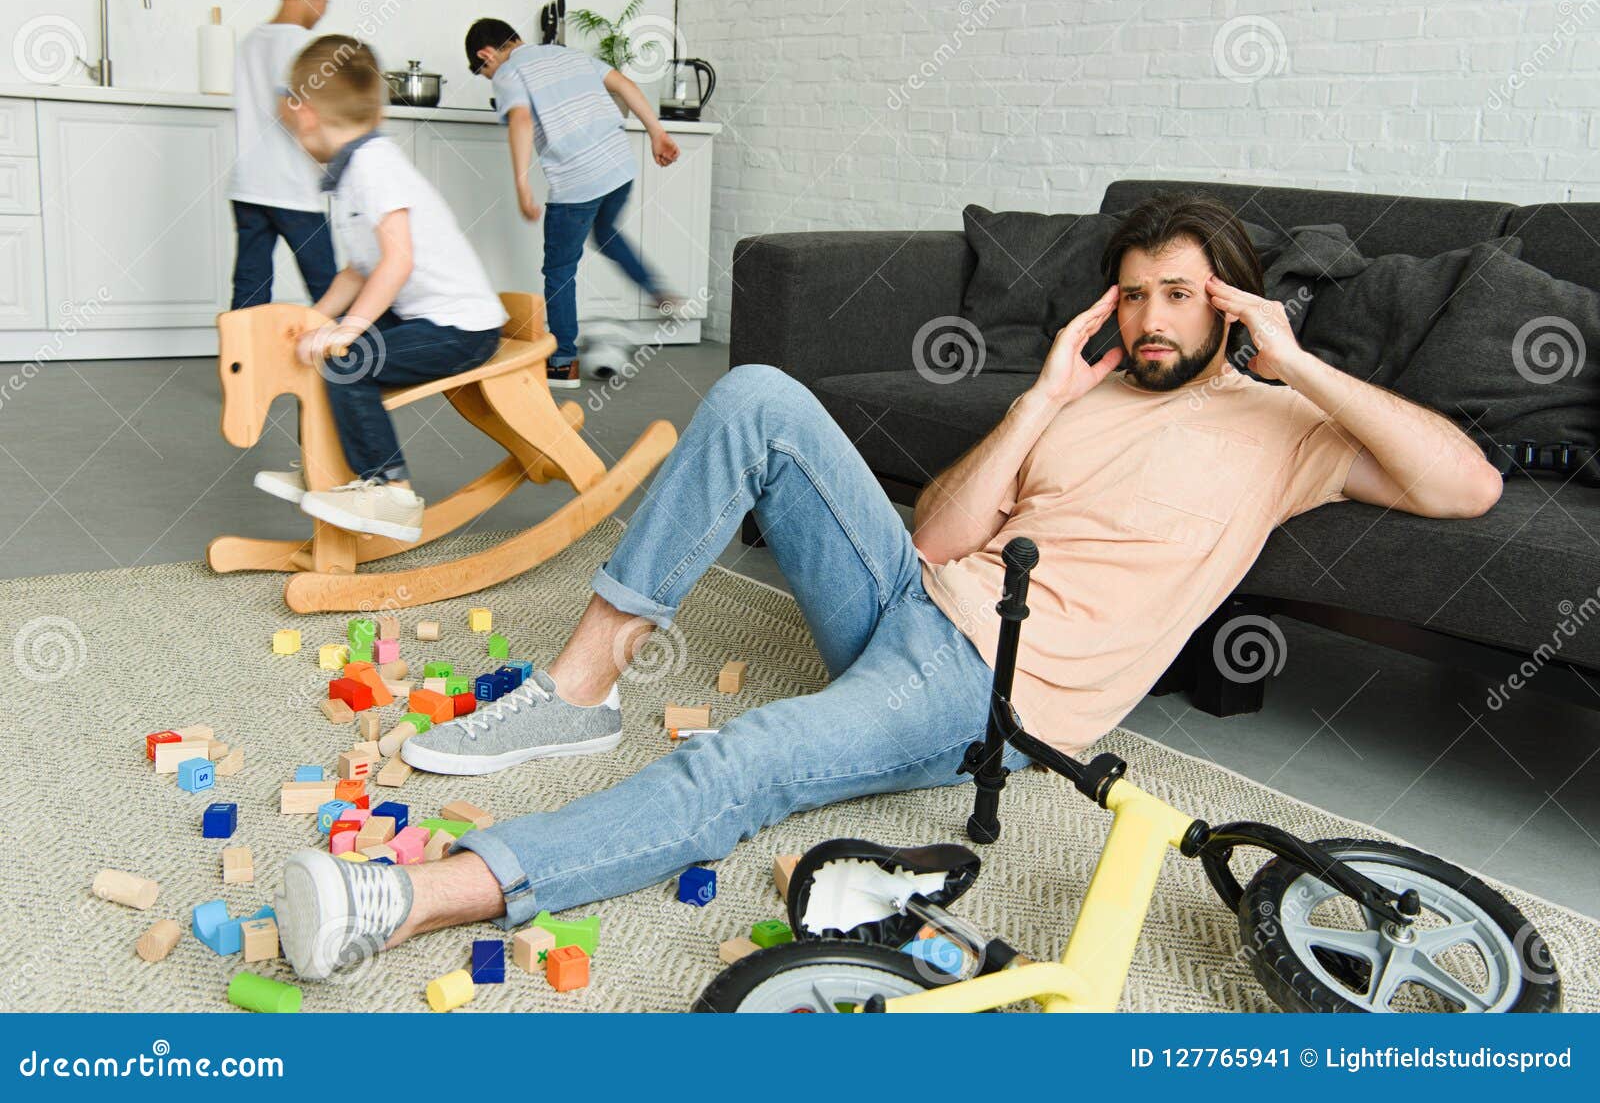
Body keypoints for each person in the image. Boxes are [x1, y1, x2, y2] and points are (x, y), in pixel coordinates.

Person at [273, 193, 1504, 980]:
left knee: (740, 763)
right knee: (759, 394)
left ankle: (409, 898)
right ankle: (582, 682)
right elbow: (933, 538)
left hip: (986, 689)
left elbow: (1467, 486)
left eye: (1178, 293)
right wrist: (1039, 402)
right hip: (920, 607)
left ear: (1228, 302)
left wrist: (1291, 357)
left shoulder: (1289, 426)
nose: (1148, 317)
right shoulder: (1088, 393)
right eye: (1132, 293)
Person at [251, 36, 508, 542]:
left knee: (349, 361)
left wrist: (347, 329)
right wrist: (316, 320)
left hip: (462, 328)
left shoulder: (375, 166)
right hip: (427, 318)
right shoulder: (353, 171)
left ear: (306, 118)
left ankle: (389, 490)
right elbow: (358, 270)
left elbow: (398, 260)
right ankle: (326, 470)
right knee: (324, 353)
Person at [464, 17, 684, 388]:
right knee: (606, 233)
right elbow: (624, 84)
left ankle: (564, 361)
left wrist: (521, 183)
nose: (489, 77)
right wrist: (657, 132)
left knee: (559, 270)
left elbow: (520, 118)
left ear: (486, 54)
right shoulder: (569, 55)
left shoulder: (507, 73)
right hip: (619, 169)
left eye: (482, 70)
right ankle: (656, 289)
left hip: (577, 182)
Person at [228, 0, 340, 310]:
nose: (324, 8)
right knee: (327, 287)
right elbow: (290, 107)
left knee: (250, 286)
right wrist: (328, 149)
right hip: (292, 187)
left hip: (249, 186)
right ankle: (350, 364)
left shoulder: (250, 42)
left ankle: (242, 367)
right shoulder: (302, 45)